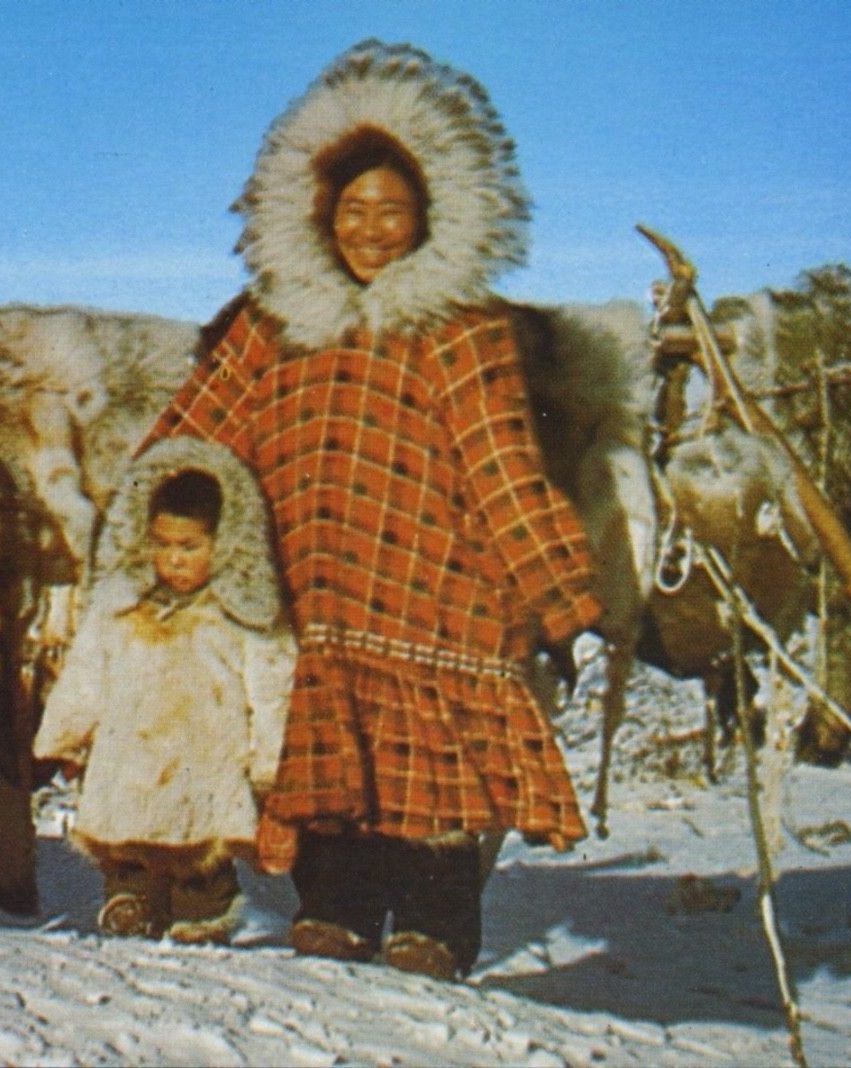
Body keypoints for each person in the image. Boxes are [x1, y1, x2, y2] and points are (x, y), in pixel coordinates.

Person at [140, 40, 604, 979]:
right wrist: (136, 533)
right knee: (336, 765)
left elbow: (505, 468)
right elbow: (191, 443)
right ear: (318, 212)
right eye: (355, 209)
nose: (373, 228)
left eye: (394, 209)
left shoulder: (463, 330)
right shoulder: (270, 325)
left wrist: (565, 602)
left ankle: (438, 921)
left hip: (442, 589)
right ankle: (339, 907)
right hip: (319, 596)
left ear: (431, 216)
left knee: (436, 776)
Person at [34, 437, 297, 944]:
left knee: (204, 848)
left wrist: (267, 764)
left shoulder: (245, 615)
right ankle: (127, 900)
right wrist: (66, 735)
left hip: (208, 755)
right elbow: (88, 671)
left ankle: (201, 915)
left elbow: (271, 689)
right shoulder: (121, 606)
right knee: (123, 836)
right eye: (163, 545)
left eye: (190, 547)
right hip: (128, 750)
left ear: (225, 544)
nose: (174, 560)